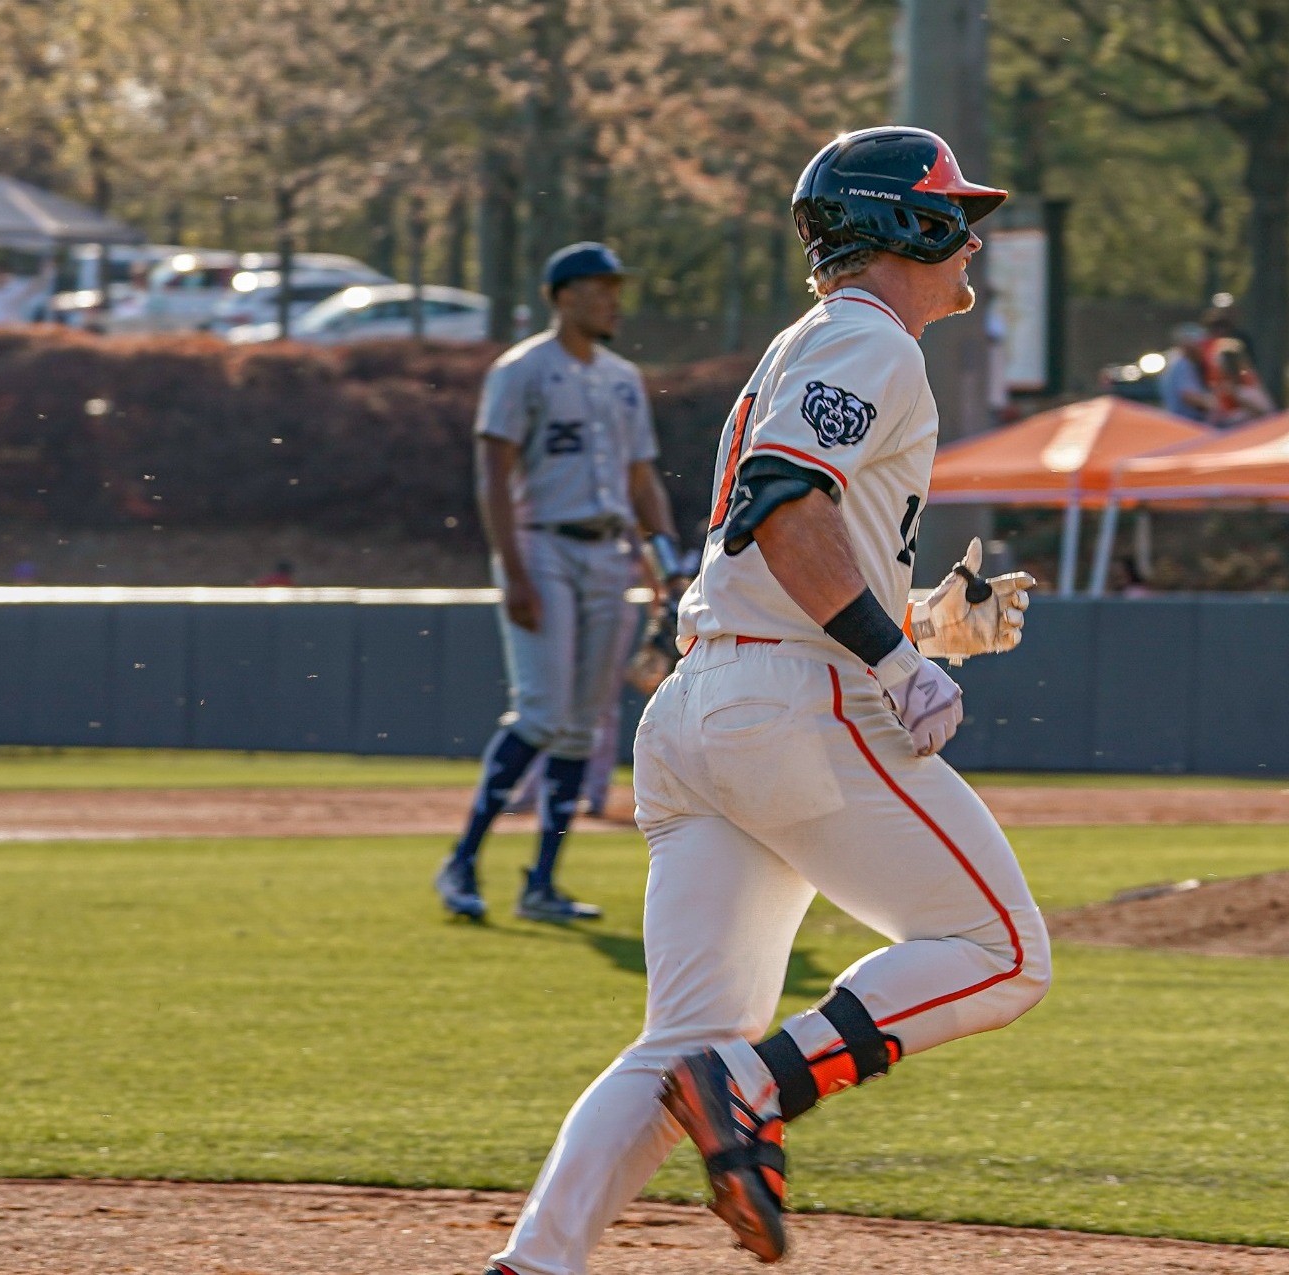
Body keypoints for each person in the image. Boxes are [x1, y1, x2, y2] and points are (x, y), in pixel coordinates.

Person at [481, 126, 1046, 1275]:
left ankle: (535, 1262)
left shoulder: (818, 340)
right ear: (908, 223)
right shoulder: (870, 344)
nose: (972, 235)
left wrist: (929, 623)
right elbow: (783, 511)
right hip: (795, 703)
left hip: (710, 703)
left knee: (679, 1040)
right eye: (956, 211)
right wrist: (897, 663)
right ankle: (753, 1091)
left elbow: (775, 538)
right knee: (998, 950)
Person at [433, 240, 692, 927]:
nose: (613, 299)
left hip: (610, 553)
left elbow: (641, 479)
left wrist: (666, 563)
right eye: (600, 287)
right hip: (542, 543)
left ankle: (541, 881)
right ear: (563, 294)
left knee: (580, 728)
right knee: (543, 714)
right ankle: (462, 860)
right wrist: (512, 568)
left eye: (615, 286)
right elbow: (492, 473)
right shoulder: (522, 370)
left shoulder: (622, 377)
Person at [1207, 337, 1272, 425]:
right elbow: (1218, 407)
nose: (1217, 362)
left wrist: (1235, 393)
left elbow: (1265, 410)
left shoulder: (1247, 377)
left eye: (1221, 358)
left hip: (1255, 423)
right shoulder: (1221, 379)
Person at [1156, 323, 1211, 421]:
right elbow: (1189, 396)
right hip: (1188, 421)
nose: (1202, 349)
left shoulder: (1171, 357)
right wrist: (1215, 405)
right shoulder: (1183, 363)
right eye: (1200, 345)